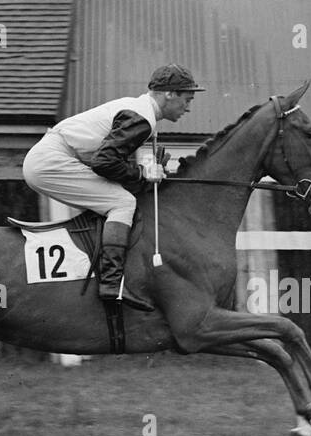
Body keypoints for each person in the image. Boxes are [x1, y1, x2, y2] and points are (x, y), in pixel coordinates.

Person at [21, 64, 206, 310]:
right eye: (186, 99)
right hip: (50, 161)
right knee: (122, 203)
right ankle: (111, 283)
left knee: (117, 199)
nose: (188, 107)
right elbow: (104, 162)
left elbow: (108, 162)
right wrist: (142, 174)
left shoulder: (139, 111)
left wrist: (144, 176)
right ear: (169, 94)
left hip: (50, 157)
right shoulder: (142, 118)